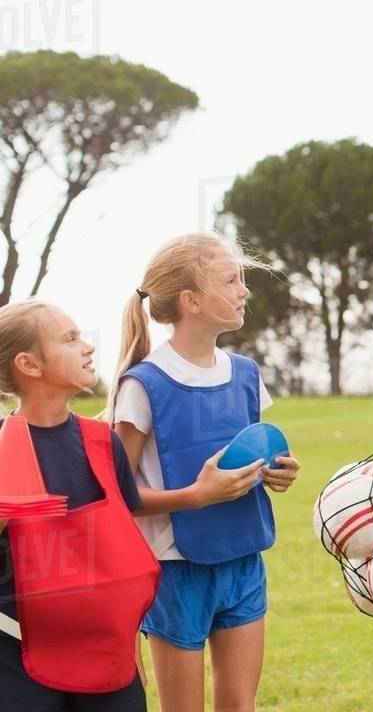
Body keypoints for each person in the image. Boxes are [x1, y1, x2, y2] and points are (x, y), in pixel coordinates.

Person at [106, 233, 301, 712]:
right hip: (177, 571)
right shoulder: (143, 385)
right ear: (191, 300)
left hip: (243, 560)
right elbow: (117, 492)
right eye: (232, 279)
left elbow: (249, 455)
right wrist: (195, 496)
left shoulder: (246, 374)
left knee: (240, 705)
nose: (245, 290)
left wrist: (277, 472)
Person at [0, 300, 158, 711]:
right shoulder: (2, 448)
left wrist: (131, 654)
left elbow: (121, 560)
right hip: (16, 653)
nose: (87, 347)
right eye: (70, 339)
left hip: (106, 655)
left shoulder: (103, 444)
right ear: (29, 365)